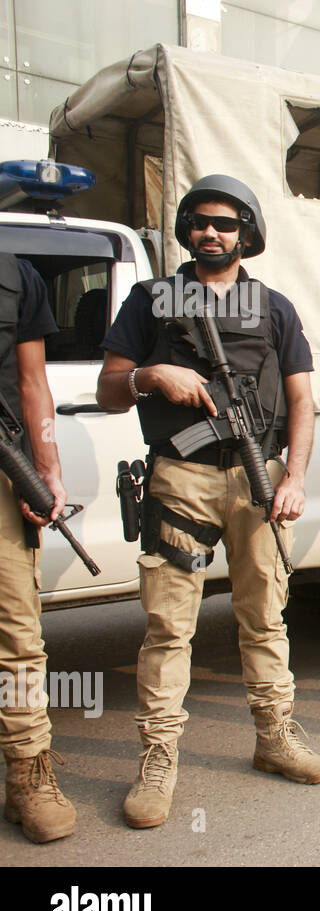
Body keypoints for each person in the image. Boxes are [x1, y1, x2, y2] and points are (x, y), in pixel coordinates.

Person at [98, 175, 320, 828]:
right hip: (182, 477)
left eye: (225, 224)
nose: (211, 232)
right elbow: (110, 388)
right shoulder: (152, 300)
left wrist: (295, 478)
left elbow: (303, 400)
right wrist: (150, 374)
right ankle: (159, 757)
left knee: (265, 614)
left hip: (258, 476)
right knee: (170, 624)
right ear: (185, 229)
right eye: (200, 221)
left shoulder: (274, 308)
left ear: (246, 233)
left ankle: (275, 736)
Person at [0, 252, 77, 843]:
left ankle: (28, 775)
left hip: (3, 471)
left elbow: (33, 383)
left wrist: (46, 472)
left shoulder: (14, 274)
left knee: (16, 636)